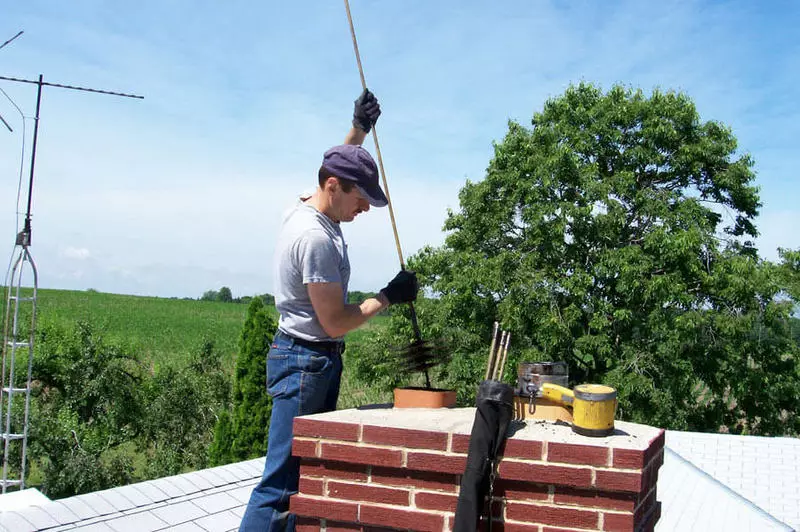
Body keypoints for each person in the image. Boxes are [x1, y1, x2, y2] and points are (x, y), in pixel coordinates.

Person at [239, 89, 418, 532]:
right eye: (361, 200)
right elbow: (335, 321)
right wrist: (389, 296)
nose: (365, 208)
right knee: (282, 484)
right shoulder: (315, 239)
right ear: (334, 189)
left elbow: (337, 165)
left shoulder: (308, 203)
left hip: (307, 359)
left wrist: (359, 128)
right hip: (305, 363)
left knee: (298, 475)